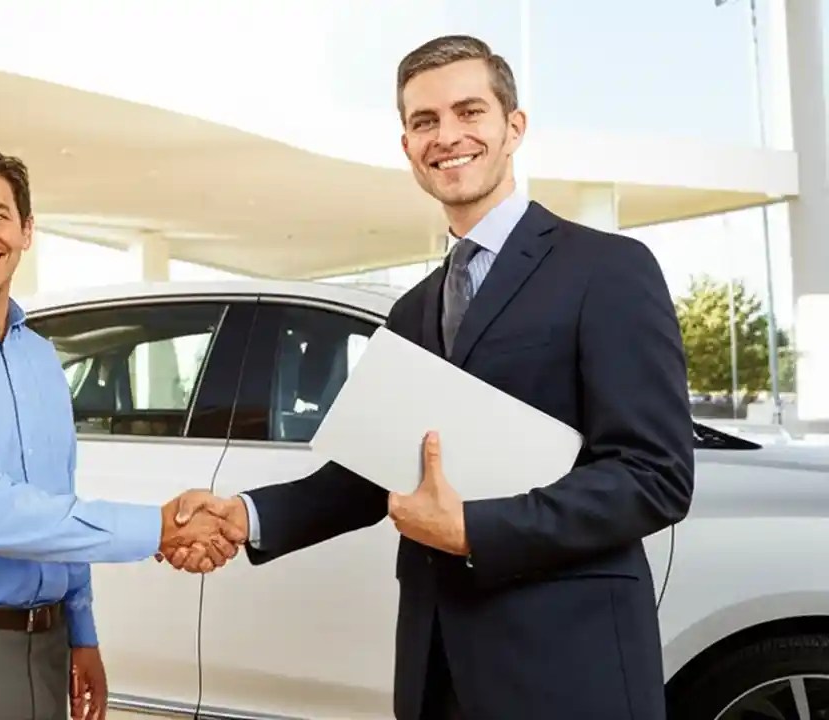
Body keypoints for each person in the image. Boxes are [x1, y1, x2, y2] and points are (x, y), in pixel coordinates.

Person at [169, 35, 695, 720]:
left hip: (569, 665)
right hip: (439, 670)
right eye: (424, 121)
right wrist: (246, 516)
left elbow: (653, 474)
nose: (447, 136)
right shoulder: (415, 307)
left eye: (469, 112)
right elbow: (373, 475)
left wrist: (476, 528)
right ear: (407, 146)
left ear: (513, 128)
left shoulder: (608, 268)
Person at [0, 141, 244, 720]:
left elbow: (56, 501)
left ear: (26, 231)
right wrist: (159, 527)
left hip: (47, 645)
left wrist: (81, 630)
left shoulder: (38, 357)